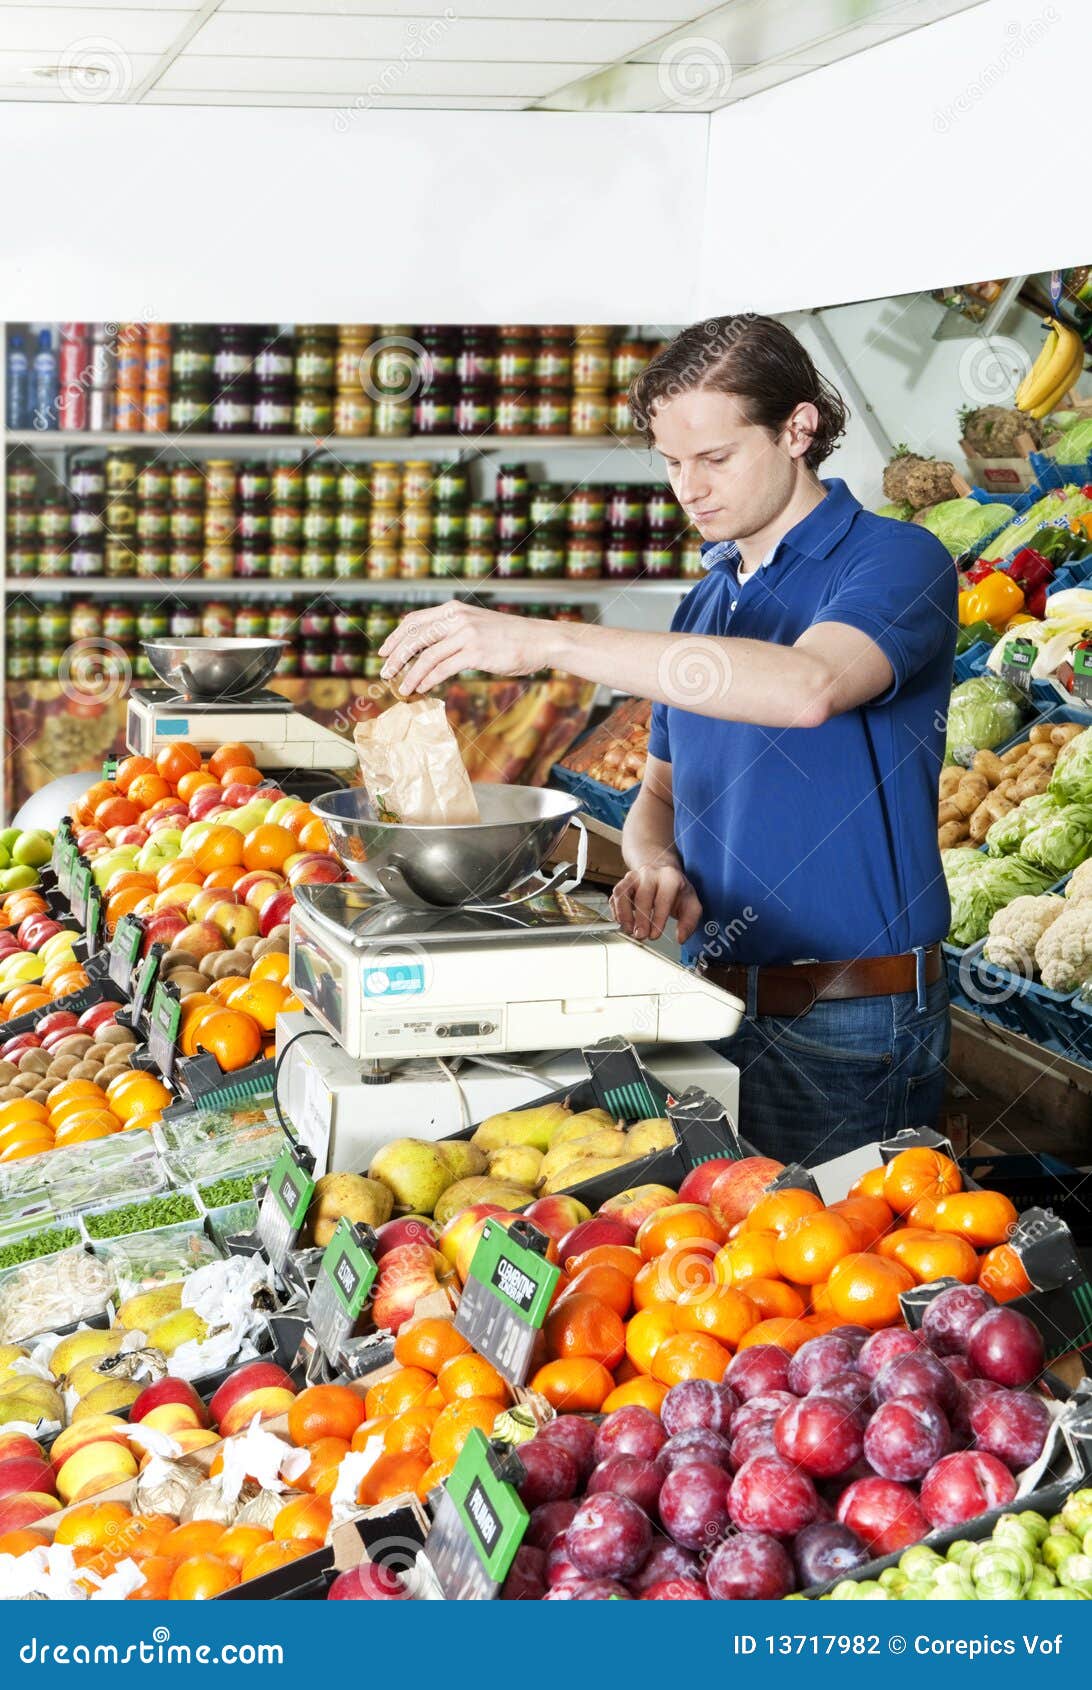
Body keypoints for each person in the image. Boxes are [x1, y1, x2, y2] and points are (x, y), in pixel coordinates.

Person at [378, 315, 958, 1164]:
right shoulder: (707, 598)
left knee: (837, 1280)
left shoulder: (897, 560)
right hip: (706, 1002)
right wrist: (656, 863)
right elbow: (659, 793)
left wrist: (550, 641)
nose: (689, 487)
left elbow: (808, 688)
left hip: (850, 1024)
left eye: (716, 458)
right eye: (672, 462)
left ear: (798, 429)